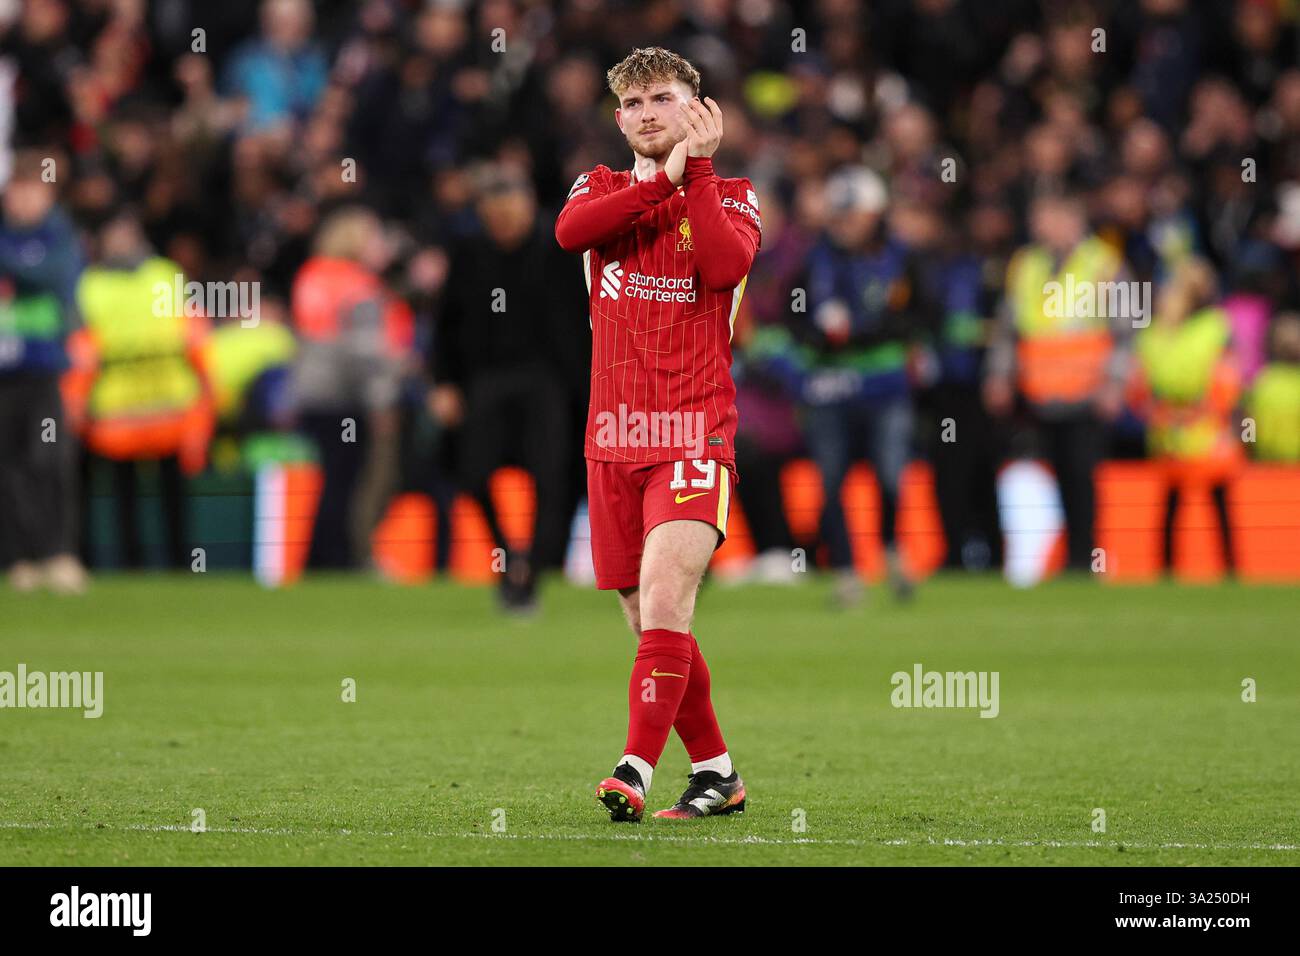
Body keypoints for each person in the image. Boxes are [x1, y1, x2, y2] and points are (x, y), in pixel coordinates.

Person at [554, 47, 759, 822]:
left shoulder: (735, 196)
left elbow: (720, 265)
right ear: (618, 119)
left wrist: (693, 176)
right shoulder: (600, 189)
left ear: (695, 110)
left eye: (662, 99)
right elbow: (573, 234)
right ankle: (717, 773)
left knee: (667, 601)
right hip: (611, 438)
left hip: (692, 433)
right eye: (633, 103)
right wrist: (663, 178)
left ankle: (633, 768)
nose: (647, 113)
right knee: (650, 624)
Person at [429, 167, 589, 612]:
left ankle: (531, 574)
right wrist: (443, 382)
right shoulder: (469, 253)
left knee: (552, 478)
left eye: (509, 214)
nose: (502, 225)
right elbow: (445, 323)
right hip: (486, 378)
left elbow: (584, 322)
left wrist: (589, 386)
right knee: (472, 472)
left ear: (528, 206)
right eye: (493, 217)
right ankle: (508, 556)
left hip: (548, 380)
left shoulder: (560, 248)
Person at [795, 166, 927, 605]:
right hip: (831, 385)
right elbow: (797, 318)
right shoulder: (817, 259)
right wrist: (818, 336)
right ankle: (848, 573)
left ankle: (891, 548)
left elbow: (919, 315)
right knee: (832, 480)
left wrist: (864, 331)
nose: (843, 224)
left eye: (851, 215)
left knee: (890, 475)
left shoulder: (900, 258)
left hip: (885, 385)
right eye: (839, 215)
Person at [984, 192, 1134, 572]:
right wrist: (1000, 375)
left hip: (1088, 393)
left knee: (1081, 477)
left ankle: (1085, 558)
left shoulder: (1105, 263)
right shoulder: (1026, 264)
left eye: (1046, 216)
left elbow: (1129, 328)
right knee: (1045, 480)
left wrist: (1115, 383)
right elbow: (1008, 328)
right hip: (1039, 394)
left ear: (1072, 218)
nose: (1038, 226)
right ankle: (1054, 557)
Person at [65, 211, 214, 569]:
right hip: (117, 413)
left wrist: (206, 394)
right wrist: (76, 403)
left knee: (174, 499)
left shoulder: (165, 275)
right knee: (124, 499)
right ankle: (130, 568)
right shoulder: (90, 285)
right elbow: (82, 351)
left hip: (169, 409)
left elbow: (196, 338)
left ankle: (181, 567)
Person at [290, 206, 413, 570]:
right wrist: (381, 403)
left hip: (312, 394)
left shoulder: (311, 275)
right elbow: (365, 355)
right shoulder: (358, 284)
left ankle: (321, 558)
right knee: (350, 483)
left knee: (332, 479)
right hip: (346, 398)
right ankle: (339, 558)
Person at [0, 149, 86, 593]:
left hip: (42, 369)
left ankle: (58, 552)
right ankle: (17, 558)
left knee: (47, 460)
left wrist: (15, 270)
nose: (26, 199)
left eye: (37, 190)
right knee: (7, 467)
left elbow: (52, 277)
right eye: (20, 189)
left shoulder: (60, 236)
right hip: (3, 374)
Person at [1131, 259, 1241, 575]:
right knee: (1187, 504)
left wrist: (1177, 409)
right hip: (1187, 430)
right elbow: (1143, 380)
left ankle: (1211, 569)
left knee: (1198, 504)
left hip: (1190, 429)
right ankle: (1190, 569)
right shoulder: (1205, 329)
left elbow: (1226, 377)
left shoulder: (1202, 329)